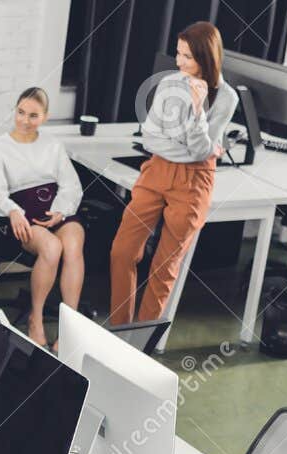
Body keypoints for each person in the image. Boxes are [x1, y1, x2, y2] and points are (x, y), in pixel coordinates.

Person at [108, 21, 236, 326]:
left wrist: (196, 111)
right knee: (122, 251)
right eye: (178, 54)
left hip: (193, 183)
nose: (179, 62)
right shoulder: (169, 84)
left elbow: (199, 152)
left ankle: (141, 342)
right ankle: (119, 329)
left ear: (207, 58)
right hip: (156, 172)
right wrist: (192, 146)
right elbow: (151, 139)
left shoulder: (227, 97)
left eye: (187, 57)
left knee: (165, 266)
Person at [0, 87, 85, 349]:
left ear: (45, 117)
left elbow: (71, 185)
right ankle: (35, 319)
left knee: (72, 243)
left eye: (33, 115)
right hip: (22, 213)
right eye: (20, 113)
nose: (24, 121)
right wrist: (13, 211)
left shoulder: (53, 144)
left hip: (53, 210)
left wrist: (60, 210)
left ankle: (70, 328)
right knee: (52, 247)